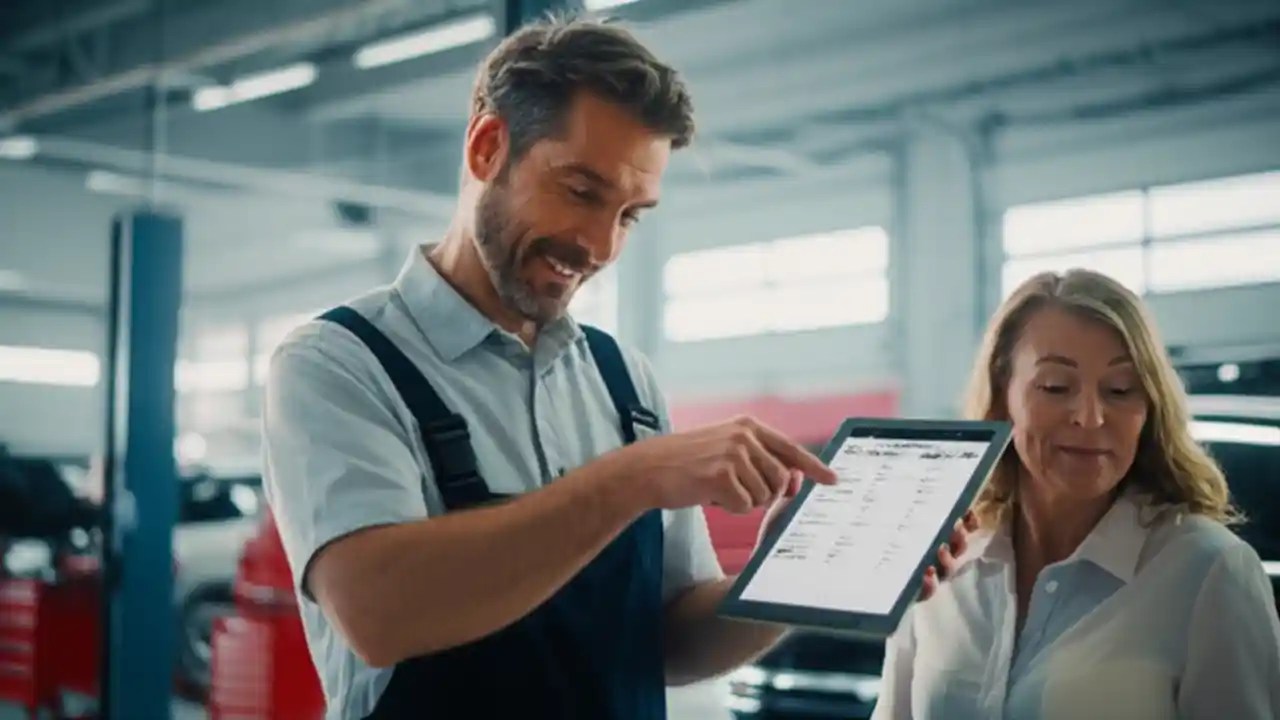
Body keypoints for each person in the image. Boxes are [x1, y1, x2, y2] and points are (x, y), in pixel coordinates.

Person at [262, 14, 967, 720]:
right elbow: (379, 614)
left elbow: (668, 641)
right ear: (487, 148)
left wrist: (798, 573)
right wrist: (633, 479)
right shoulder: (337, 365)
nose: (599, 246)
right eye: (581, 191)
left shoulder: (622, 380)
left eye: (630, 215)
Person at [871, 269, 1280, 720]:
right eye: (1055, 387)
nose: (1090, 417)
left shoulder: (1209, 572)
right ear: (1004, 394)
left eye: (1120, 390)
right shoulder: (945, 560)